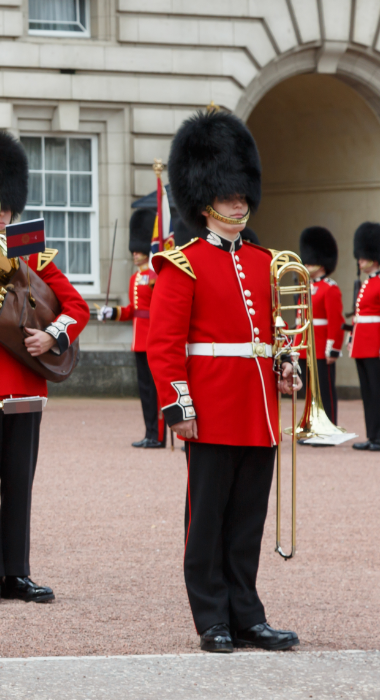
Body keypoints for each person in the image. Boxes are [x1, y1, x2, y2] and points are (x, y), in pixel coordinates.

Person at [148, 106, 301, 653]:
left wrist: (287, 364)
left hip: (257, 412)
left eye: (242, 196)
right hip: (210, 409)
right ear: (205, 198)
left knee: (245, 524)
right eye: (229, 196)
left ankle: (247, 614)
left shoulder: (265, 261)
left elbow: (276, 333)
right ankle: (211, 617)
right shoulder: (181, 263)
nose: (238, 204)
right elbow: (165, 347)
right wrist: (178, 406)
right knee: (206, 522)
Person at [0, 130, 89, 606]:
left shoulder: (29, 248)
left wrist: (52, 335)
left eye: (7, 205)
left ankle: (17, 573)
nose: (2, 214)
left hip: (24, 382)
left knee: (19, 484)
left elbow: (75, 307)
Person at [97, 208, 163, 448]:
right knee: (145, 391)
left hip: (153, 339)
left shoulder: (157, 276)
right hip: (139, 340)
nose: (135, 254)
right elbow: (132, 310)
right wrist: (112, 313)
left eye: (138, 250)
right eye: (134, 251)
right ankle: (150, 432)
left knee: (155, 391)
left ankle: (159, 435)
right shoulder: (135, 278)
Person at [299, 226, 343, 426]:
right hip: (305, 347)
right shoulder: (306, 287)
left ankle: (328, 427)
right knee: (309, 392)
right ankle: (313, 425)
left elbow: (335, 321)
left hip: (320, 348)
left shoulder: (330, 288)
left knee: (324, 391)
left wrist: (332, 349)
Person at [349, 222, 380, 450]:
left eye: (363, 256)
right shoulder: (367, 283)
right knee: (368, 393)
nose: (359, 260)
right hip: (362, 343)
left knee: (377, 391)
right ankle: (372, 435)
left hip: (375, 344)